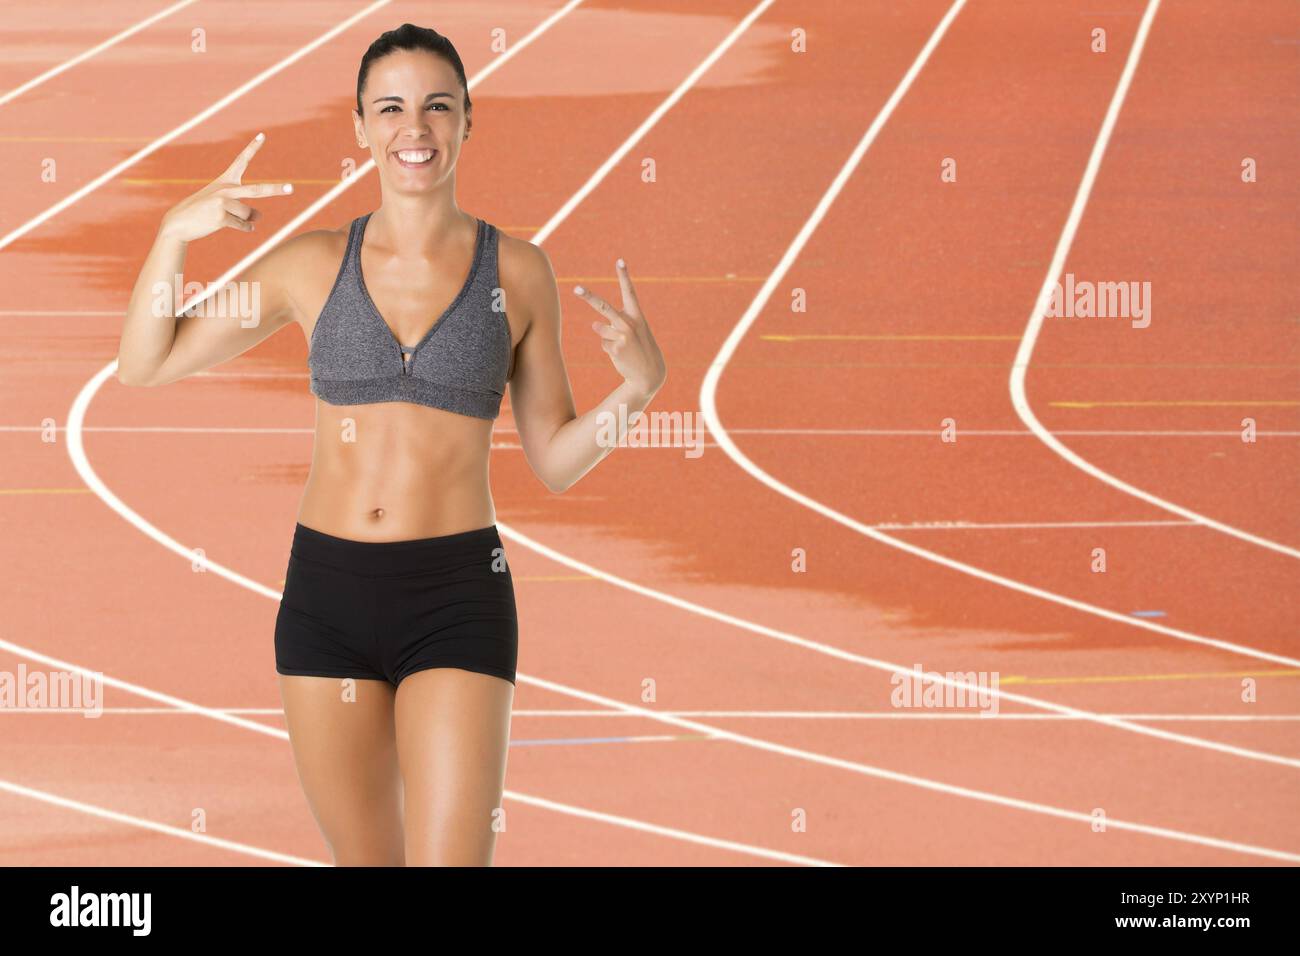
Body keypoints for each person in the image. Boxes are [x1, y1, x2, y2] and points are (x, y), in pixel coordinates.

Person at [114, 23, 666, 866]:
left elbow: (554, 458)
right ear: (362, 125)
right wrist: (173, 235)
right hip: (326, 599)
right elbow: (145, 362)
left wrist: (637, 391)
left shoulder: (518, 273)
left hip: (456, 596)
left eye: (438, 107)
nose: (416, 129)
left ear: (468, 121)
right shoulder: (308, 265)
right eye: (393, 108)